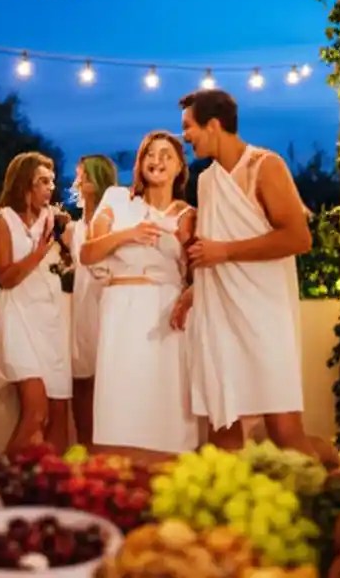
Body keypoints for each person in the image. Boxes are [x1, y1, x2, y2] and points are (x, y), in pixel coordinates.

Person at [173, 89, 314, 455]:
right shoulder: (206, 181)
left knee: (285, 434)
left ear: (214, 125)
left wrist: (226, 252)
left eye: (188, 127)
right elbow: (210, 248)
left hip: (265, 314)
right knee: (223, 432)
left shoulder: (265, 166)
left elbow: (298, 238)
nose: (184, 136)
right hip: (220, 315)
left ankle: (338, 485)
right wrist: (193, 293)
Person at [80, 132, 198, 461]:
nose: (156, 160)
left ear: (179, 168)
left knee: (165, 398)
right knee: (122, 396)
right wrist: (129, 234)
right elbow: (87, 253)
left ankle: (169, 470)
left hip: (166, 310)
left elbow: (196, 273)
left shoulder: (188, 214)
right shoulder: (118, 200)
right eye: (150, 154)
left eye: (166, 155)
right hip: (121, 306)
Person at [0, 152, 72, 453]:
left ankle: (50, 484)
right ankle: (2, 483)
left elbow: (66, 263)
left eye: (52, 181)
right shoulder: (5, 220)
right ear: (25, 184)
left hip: (50, 320)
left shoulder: (53, 219)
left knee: (59, 414)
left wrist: (62, 243)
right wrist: (39, 251)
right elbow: (6, 277)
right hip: (18, 318)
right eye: (42, 181)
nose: (50, 187)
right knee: (35, 411)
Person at [66, 154, 118, 448]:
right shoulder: (76, 226)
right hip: (82, 305)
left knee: (104, 381)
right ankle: (85, 449)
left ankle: (106, 448)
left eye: (83, 176)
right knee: (80, 382)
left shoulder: (112, 219)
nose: (77, 181)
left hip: (105, 303)